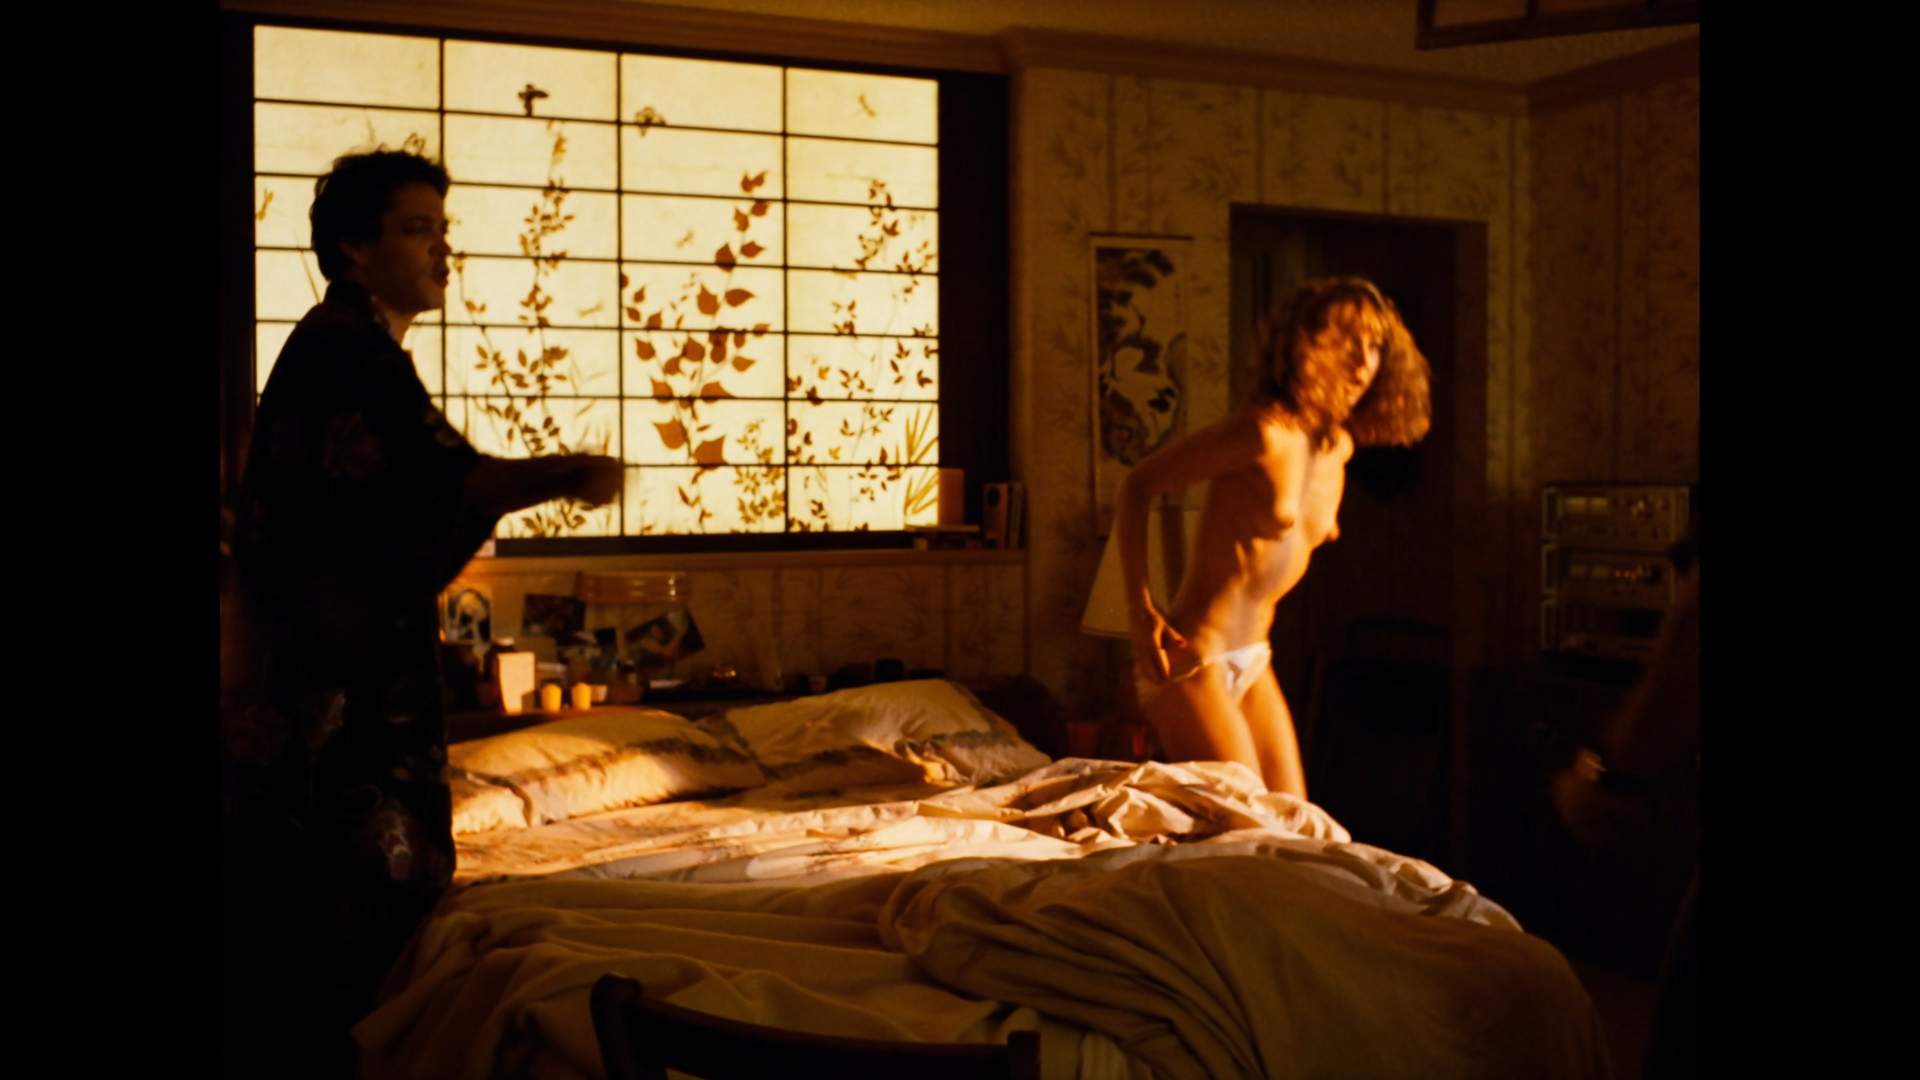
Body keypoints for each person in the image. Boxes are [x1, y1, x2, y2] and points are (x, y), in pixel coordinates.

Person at [222, 149, 622, 1076]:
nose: (443, 252)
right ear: (355, 249)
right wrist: (567, 472)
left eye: (443, 231)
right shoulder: (346, 349)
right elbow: (436, 480)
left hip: (330, 670)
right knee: (353, 906)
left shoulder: (349, 344)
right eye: (417, 230)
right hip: (331, 686)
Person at [1116, 277, 1430, 798]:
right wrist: (1139, 609)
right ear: (1307, 345)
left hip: (1255, 657)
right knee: (1255, 828)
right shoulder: (1263, 433)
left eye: (1375, 346)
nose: (1362, 361)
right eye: (1347, 340)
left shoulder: (1339, 449)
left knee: (1299, 826)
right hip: (1194, 660)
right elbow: (1138, 485)